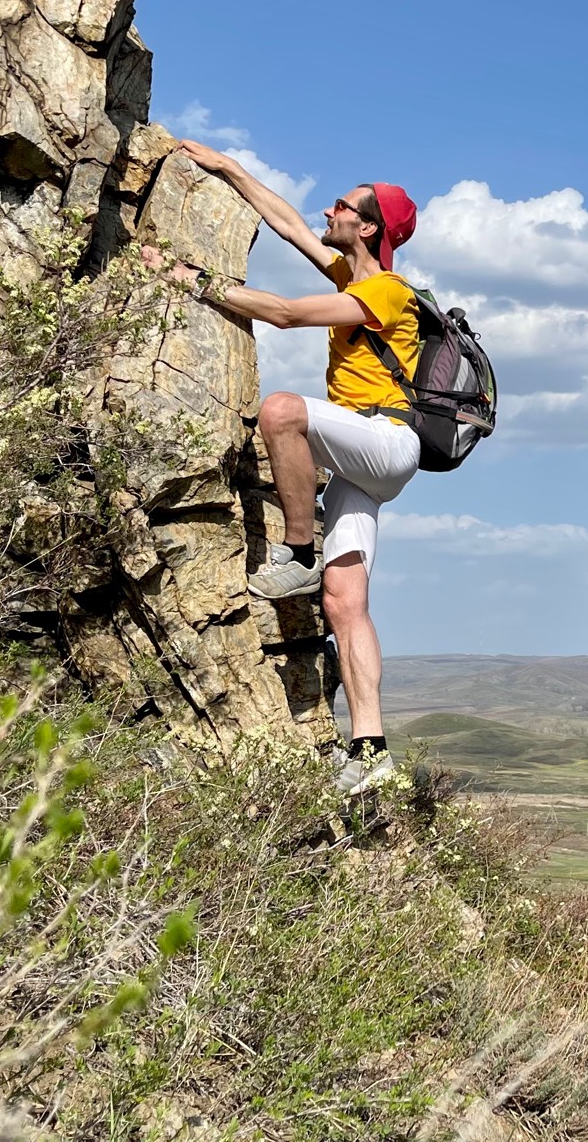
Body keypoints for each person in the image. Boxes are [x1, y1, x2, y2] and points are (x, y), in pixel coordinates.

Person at [147, 138, 420, 795]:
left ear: (368, 225)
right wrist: (230, 170)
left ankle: (298, 551)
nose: (329, 209)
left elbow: (287, 314)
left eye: (343, 206)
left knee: (282, 411)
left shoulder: (387, 291)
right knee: (345, 603)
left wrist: (193, 280)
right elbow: (291, 223)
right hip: (362, 460)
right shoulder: (349, 274)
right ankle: (371, 751)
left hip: (385, 440)